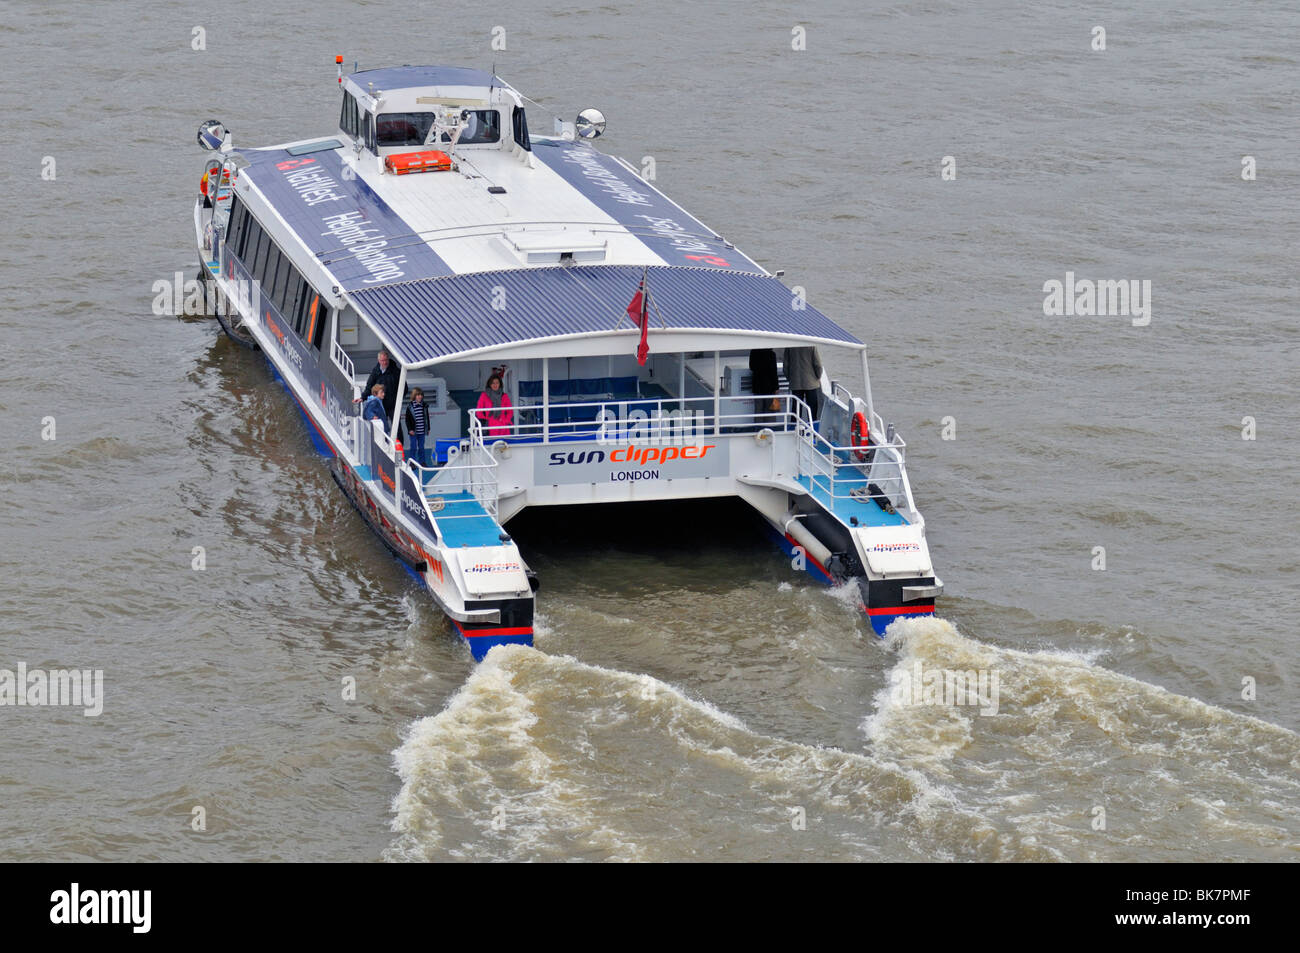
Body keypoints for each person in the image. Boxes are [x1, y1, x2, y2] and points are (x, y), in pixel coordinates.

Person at [783, 346, 824, 420]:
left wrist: (790, 378)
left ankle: (794, 427)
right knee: (812, 408)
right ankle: (812, 427)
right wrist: (817, 377)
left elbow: (785, 366)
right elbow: (818, 365)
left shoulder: (790, 347)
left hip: (795, 382)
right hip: (811, 383)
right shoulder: (811, 346)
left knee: (796, 409)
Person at [363, 349, 402, 424]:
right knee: (383, 426)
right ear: (379, 360)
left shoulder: (396, 371)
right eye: (382, 360)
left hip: (392, 405)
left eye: (386, 360)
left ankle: (398, 436)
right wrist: (362, 397)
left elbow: (403, 387)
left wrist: (397, 399)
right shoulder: (375, 371)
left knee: (397, 426)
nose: (384, 362)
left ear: (388, 359)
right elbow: (369, 386)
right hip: (380, 404)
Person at [749, 348, 781, 428]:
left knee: (758, 409)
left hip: (757, 385)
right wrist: (776, 387)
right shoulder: (771, 354)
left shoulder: (754, 352)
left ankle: (758, 429)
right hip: (769, 386)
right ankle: (770, 428)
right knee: (769, 409)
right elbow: (774, 372)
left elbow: (751, 367)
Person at [475, 373, 513, 438]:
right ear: (489, 384)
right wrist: (487, 421)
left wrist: (505, 421)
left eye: (497, 383)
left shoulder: (504, 396)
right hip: (490, 427)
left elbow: (510, 412)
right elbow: (478, 412)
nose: (495, 385)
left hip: (503, 427)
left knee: (504, 446)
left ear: (500, 384)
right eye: (493, 383)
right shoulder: (484, 395)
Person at [404, 387, 430, 467]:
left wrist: (428, 428)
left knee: (421, 447)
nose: (420, 396)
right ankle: (412, 462)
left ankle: (422, 462)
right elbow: (407, 420)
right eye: (418, 395)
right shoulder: (410, 407)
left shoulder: (424, 406)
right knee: (413, 447)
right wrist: (410, 430)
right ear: (414, 396)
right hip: (413, 432)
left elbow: (427, 418)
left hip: (422, 431)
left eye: (421, 395)